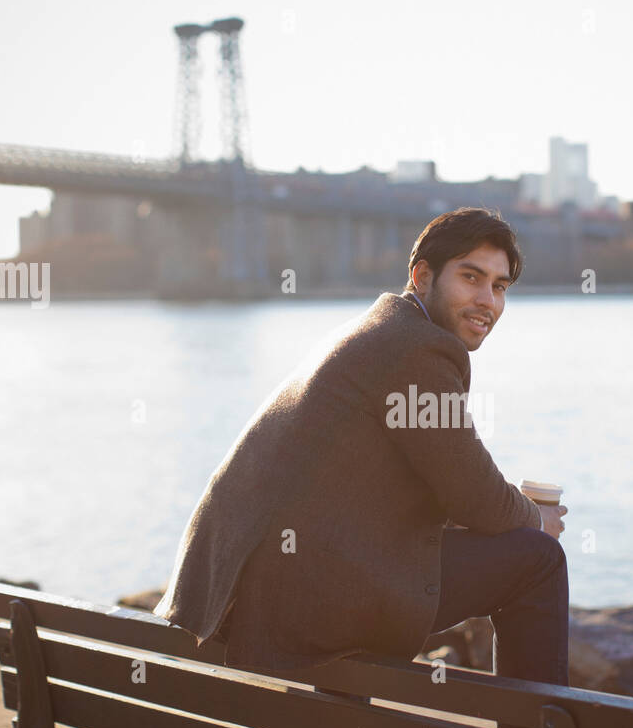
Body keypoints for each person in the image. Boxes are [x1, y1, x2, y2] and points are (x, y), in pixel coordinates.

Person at [153, 207, 570, 688]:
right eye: (471, 277)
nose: (487, 301)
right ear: (422, 276)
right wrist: (538, 521)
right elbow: (476, 496)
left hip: (237, 590)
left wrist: (502, 511)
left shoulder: (375, 330)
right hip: (295, 599)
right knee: (538, 559)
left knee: (499, 542)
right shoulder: (416, 349)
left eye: (499, 287)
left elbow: (443, 487)